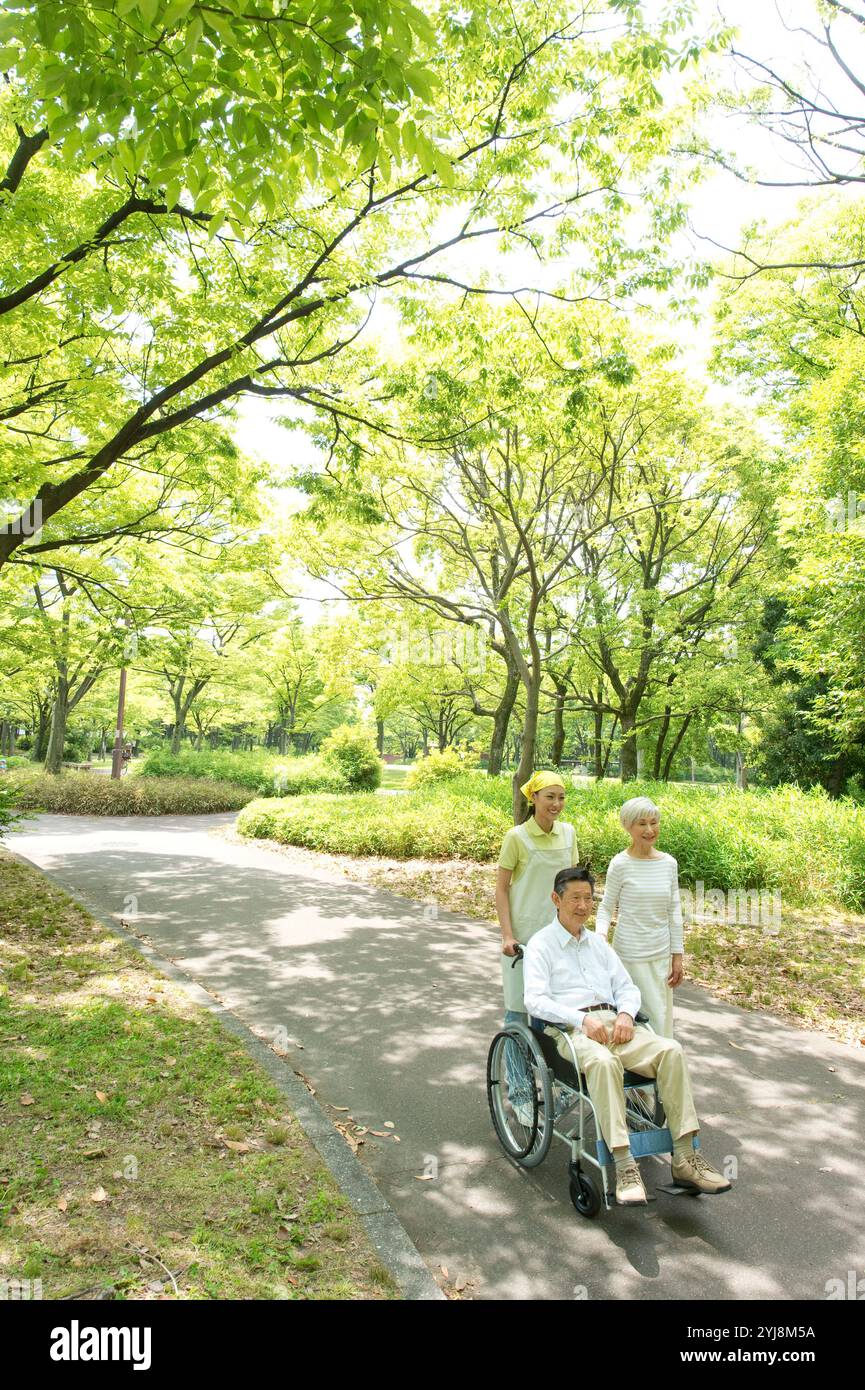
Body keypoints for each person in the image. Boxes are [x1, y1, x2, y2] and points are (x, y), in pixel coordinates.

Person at [523, 866, 732, 1206]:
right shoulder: (541, 945)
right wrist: (580, 1020)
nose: (582, 905)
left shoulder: (599, 946)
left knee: (671, 1050)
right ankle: (624, 1167)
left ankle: (684, 1158)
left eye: (588, 898)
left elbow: (627, 988)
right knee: (604, 1064)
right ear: (556, 899)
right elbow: (534, 1000)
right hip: (573, 1031)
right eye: (574, 898)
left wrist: (624, 1014)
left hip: (616, 1023)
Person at [495, 770, 578, 1029]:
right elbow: (501, 889)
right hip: (524, 938)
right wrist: (508, 935)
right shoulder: (516, 837)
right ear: (534, 797)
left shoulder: (568, 833)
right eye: (550, 797)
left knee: (557, 1013)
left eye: (561, 797)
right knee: (518, 1013)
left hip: (560, 935)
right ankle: (515, 1071)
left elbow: (575, 886)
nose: (556, 804)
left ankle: (550, 1070)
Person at [595, 797, 683, 1039]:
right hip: (628, 956)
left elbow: (674, 912)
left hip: (660, 955)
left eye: (654, 823)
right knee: (630, 1019)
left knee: (659, 1018)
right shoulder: (620, 864)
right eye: (641, 824)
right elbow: (605, 907)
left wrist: (678, 956)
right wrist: (601, 936)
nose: (649, 830)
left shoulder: (668, 864)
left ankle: (661, 1072)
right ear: (628, 827)